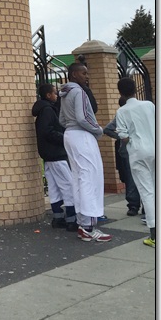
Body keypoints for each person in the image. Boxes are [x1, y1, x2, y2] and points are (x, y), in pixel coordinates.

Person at [59, 62, 111, 243]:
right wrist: (98, 129)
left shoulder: (64, 93)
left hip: (70, 135)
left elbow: (62, 119)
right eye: (84, 73)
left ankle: (83, 223)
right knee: (90, 177)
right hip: (82, 136)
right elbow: (83, 117)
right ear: (74, 74)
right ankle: (89, 226)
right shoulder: (79, 92)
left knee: (79, 177)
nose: (87, 76)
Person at [115, 77, 155, 248]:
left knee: (147, 192)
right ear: (135, 90)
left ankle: (154, 234)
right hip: (155, 147)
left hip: (138, 153)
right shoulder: (149, 105)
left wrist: (129, 139)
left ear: (121, 93)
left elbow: (123, 136)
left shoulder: (122, 112)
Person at [32, 83, 77, 231]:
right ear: (48, 95)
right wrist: (64, 138)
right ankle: (72, 218)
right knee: (68, 185)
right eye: (54, 93)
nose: (56, 96)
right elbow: (48, 131)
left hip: (48, 155)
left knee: (54, 187)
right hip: (56, 154)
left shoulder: (43, 110)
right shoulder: (48, 111)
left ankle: (58, 217)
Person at [103, 96, 141, 217]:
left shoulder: (120, 115)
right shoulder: (138, 114)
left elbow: (107, 130)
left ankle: (133, 205)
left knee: (131, 178)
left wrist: (121, 137)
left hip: (127, 150)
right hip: (139, 149)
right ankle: (144, 205)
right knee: (140, 177)